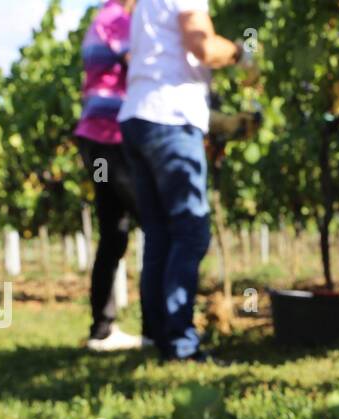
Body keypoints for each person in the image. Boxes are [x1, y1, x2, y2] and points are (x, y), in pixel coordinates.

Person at [117, 0, 244, 363]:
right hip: (169, 117)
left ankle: (161, 336)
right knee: (190, 231)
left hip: (138, 117)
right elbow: (202, 46)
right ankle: (181, 343)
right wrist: (238, 51)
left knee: (160, 233)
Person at [76, 0, 145, 353]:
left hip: (95, 142)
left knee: (114, 232)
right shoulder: (117, 19)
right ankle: (159, 325)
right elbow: (139, 66)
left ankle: (102, 329)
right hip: (107, 140)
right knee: (153, 220)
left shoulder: (101, 17)